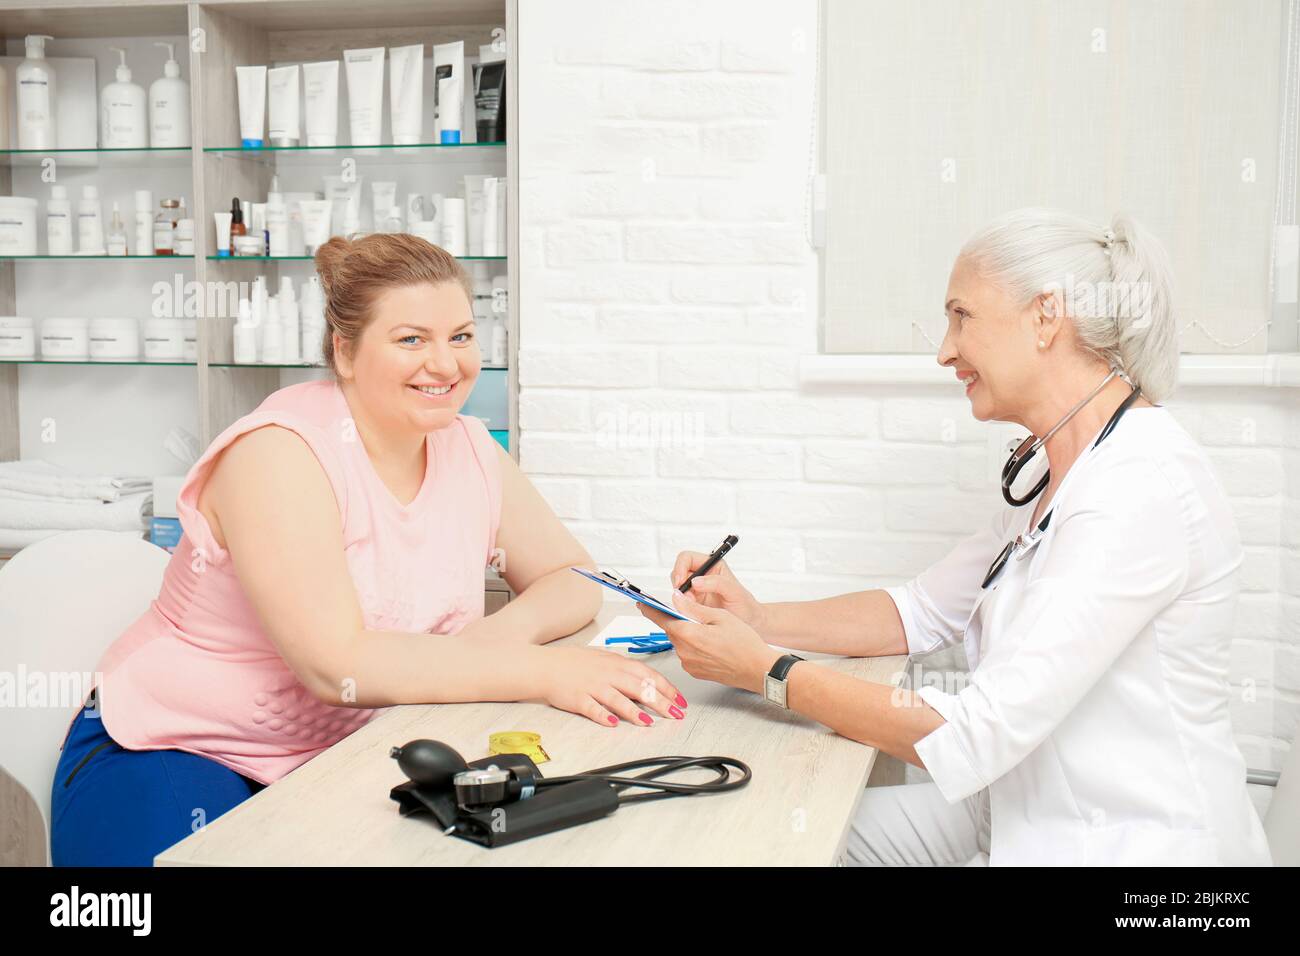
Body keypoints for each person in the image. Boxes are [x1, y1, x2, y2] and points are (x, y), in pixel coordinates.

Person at [640, 208, 1272, 866]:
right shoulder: (1068, 473)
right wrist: (760, 619)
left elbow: (975, 733)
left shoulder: (1139, 488)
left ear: (1046, 315)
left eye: (961, 315)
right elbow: (917, 610)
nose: (945, 349)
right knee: (776, 835)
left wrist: (766, 671)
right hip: (1019, 809)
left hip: (1134, 853)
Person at [52, 233, 685, 866]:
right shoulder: (280, 454)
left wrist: (488, 645)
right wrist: (544, 670)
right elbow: (335, 665)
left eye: (461, 336)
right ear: (345, 352)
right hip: (182, 744)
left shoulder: (468, 446)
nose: (446, 364)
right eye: (412, 339)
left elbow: (573, 578)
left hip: (343, 749)